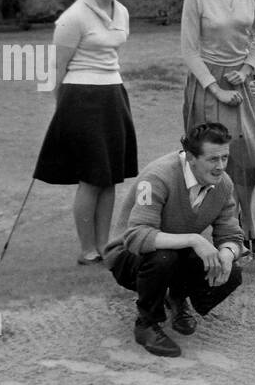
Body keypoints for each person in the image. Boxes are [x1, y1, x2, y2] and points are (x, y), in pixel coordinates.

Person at [103, 122, 247, 357]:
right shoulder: (156, 177)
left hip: (174, 251)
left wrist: (228, 254)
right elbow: (137, 235)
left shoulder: (223, 184)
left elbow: (231, 233)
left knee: (231, 272)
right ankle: (146, 323)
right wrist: (194, 240)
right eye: (213, 159)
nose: (220, 167)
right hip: (128, 258)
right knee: (163, 258)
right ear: (191, 157)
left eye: (225, 158)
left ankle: (177, 299)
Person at [33, 0, 140, 264]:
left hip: (113, 96)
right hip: (80, 98)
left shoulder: (121, 12)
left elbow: (112, 57)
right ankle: (87, 250)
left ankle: (105, 246)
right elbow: (57, 68)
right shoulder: (73, 17)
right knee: (91, 177)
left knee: (110, 177)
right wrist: (61, 107)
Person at [180, 0, 255, 260]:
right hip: (207, 85)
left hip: (240, 80)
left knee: (245, 162)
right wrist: (216, 89)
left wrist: (247, 69)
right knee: (214, 160)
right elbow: (189, 51)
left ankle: (249, 229)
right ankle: (221, 233)